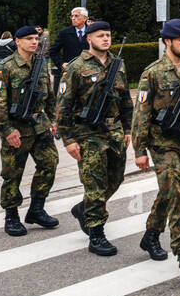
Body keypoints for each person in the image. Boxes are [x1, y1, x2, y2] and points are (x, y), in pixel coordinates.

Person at [131, 18, 180, 283]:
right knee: (178, 193)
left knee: (169, 191)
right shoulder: (152, 73)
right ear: (167, 42)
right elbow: (141, 114)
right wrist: (139, 149)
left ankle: (151, 235)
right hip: (161, 143)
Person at [55, 20, 133, 257]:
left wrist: (128, 130)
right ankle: (96, 233)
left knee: (116, 178)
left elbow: (126, 100)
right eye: (100, 35)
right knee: (95, 184)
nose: (106, 39)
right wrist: (68, 139)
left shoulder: (117, 65)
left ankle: (84, 209)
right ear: (89, 38)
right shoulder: (76, 67)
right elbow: (63, 106)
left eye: (108, 35)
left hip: (114, 132)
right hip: (87, 134)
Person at [0, 26, 59, 237]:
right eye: (29, 39)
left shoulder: (40, 64)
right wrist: (6, 130)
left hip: (39, 126)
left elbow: (49, 96)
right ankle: (11, 215)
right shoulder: (6, 67)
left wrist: (53, 119)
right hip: (16, 128)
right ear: (17, 42)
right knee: (12, 173)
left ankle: (36, 209)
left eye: (36, 38)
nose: (34, 42)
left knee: (50, 163)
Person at [53, 7, 92, 93]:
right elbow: (53, 51)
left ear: (85, 18)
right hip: (69, 74)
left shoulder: (92, 33)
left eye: (76, 16)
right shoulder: (64, 33)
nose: (73, 18)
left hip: (88, 73)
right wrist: (61, 63)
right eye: (72, 16)